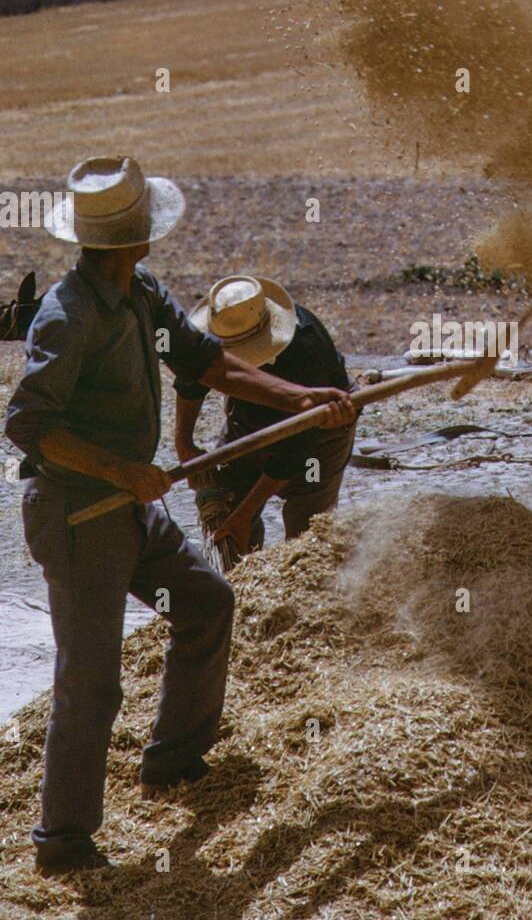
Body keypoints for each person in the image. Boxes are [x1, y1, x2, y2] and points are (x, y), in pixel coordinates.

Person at [4, 157, 355, 876]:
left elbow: (204, 364)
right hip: (79, 512)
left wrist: (296, 397)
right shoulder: (68, 317)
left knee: (205, 602)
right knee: (92, 680)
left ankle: (171, 759)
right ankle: (63, 841)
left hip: (131, 506)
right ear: (138, 237)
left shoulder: (142, 296)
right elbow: (29, 427)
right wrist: (124, 470)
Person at [173, 275, 356, 560]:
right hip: (247, 421)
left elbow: (293, 453)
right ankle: (239, 589)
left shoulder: (305, 351)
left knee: (307, 536)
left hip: (320, 435)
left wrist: (245, 515)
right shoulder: (211, 333)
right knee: (230, 512)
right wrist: (184, 442)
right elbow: (192, 379)